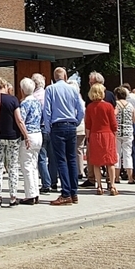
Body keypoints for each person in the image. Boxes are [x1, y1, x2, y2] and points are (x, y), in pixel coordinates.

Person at [41, 67, 84, 205]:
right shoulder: (73, 89)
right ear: (65, 77)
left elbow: (47, 110)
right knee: (71, 159)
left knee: (61, 160)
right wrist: (76, 121)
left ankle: (66, 193)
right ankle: (74, 192)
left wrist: (48, 128)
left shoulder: (50, 89)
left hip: (57, 126)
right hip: (71, 124)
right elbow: (81, 109)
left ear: (54, 77)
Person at [0, 79, 24, 207]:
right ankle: (13, 196)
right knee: (13, 167)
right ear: (5, 86)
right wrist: (26, 135)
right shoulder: (13, 100)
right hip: (13, 137)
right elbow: (19, 119)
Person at [84, 84, 118, 195]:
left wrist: (88, 138)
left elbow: (88, 125)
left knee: (96, 162)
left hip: (94, 135)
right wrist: (115, 135)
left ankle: (99, 186)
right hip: (107, 135)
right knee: (110, 162)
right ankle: (112, 186)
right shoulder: (108, 106)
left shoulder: (89, 107)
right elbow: (113, 124)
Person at [17, 77, 43, 204]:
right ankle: (35, 192)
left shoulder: (24, 103)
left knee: (26, 165)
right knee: (33, 165)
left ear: (22, 90)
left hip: (29, 135)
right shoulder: (37, 102)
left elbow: (21, 120)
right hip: (38, 134)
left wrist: (24, 135)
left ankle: (30, 194)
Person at [31, 73, 53, 194]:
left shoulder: (34, 97)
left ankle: (46, 183)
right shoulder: (48, 94)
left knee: (42, 158)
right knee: (53, 156)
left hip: (40, 127)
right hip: (51, 127)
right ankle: (53, 181)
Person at [114, 87, 135, 184]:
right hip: (128, 132)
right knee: (128, 154)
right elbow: (134, 119)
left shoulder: (116, 105)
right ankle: (130, 177)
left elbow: (113, 115)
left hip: (117, 132)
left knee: (117, 154)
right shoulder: (130, 105)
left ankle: (117, 177)